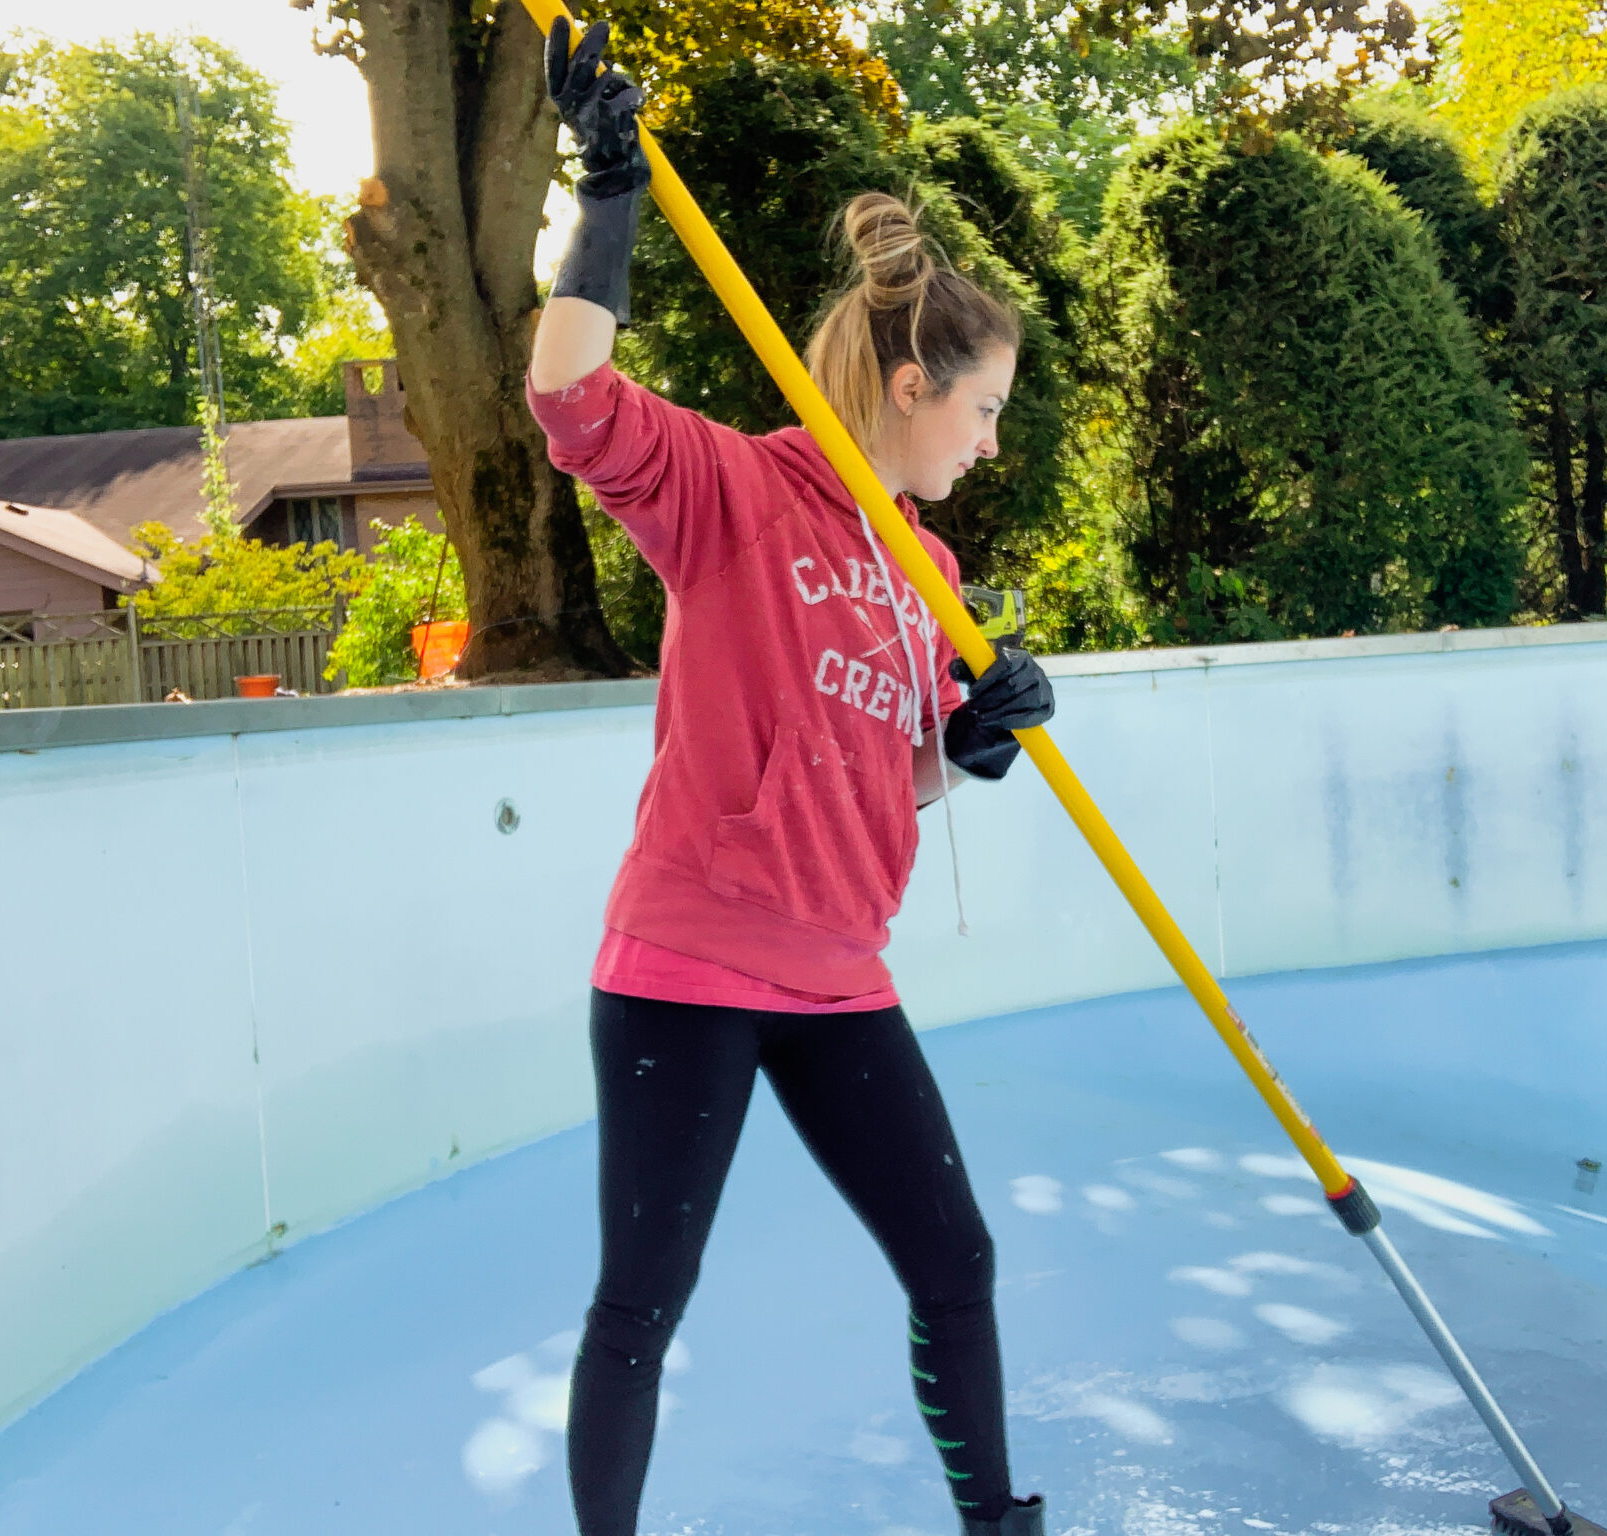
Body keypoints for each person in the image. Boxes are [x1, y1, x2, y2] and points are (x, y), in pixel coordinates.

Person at [525, 20, 1057, 1536]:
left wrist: (961, 746)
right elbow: (571, 403)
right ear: (908, 383)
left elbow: (889, 782)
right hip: (689, 963)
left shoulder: (932, 573)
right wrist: (609, 193)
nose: (992, 439)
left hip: (839, 972)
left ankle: (994, 1528)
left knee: (954, 1260)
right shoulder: (739, 492)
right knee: (644, 1300)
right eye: (985, 407)